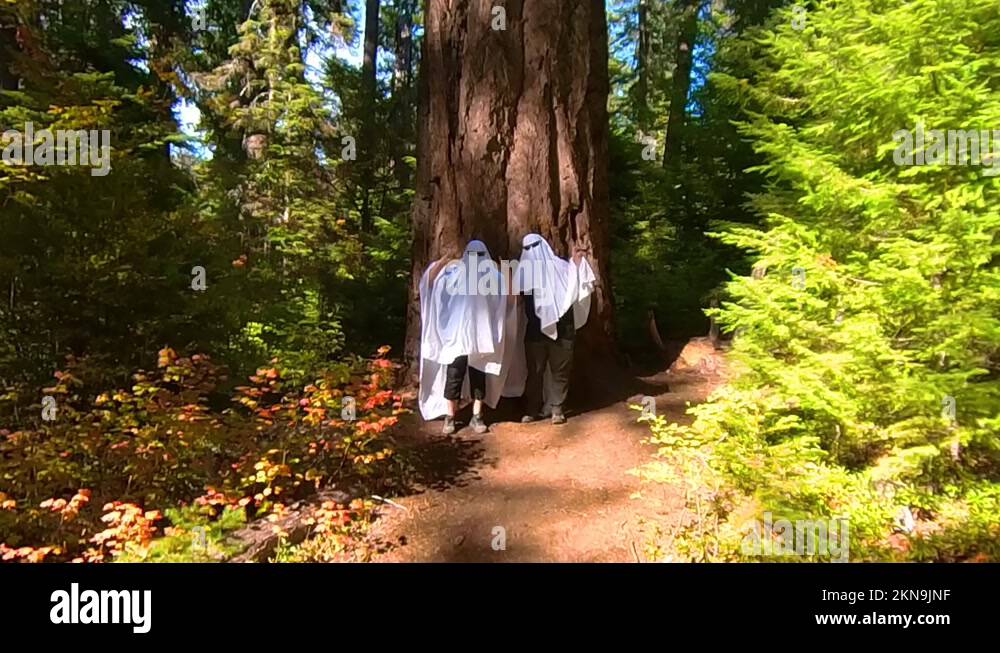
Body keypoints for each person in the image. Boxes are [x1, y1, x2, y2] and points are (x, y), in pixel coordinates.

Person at [418, 240, 524, 435]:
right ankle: (450, 416)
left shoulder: (491, 277)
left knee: (478, 377)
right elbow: (430, 284)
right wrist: (443, 261)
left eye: (479, 256)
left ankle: (477, 416)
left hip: (481, 338)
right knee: (454, 375)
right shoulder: (454, 275)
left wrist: (506, 272)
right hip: (457, 338)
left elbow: (509, 298)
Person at [515, 233, 596, 425]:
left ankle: (557, 409)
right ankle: (532, 409)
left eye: (534, 247)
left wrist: (577, 263)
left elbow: (576, 282)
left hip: (563, 330)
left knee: (560, 371)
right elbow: (513, 299)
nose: (531, 253)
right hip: (535, 332)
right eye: (527, 249)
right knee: (535, 371)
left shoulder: (561, 267)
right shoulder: (524, 272)